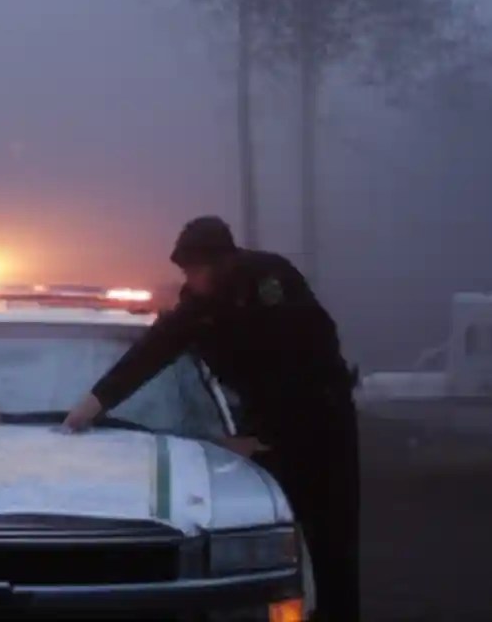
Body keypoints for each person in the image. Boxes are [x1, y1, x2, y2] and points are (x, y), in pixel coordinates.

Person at [63, 216, 359, 621]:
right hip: (265, 432)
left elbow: (301, 361)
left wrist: (265, 434)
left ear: (223, 262)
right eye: (186, 271)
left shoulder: (270, 283)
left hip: (322, 425)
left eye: (196, 269)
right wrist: (94, 404)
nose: (191, 279)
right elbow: (151, 353)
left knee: (331, 540)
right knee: (281, 537)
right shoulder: (198, 306)